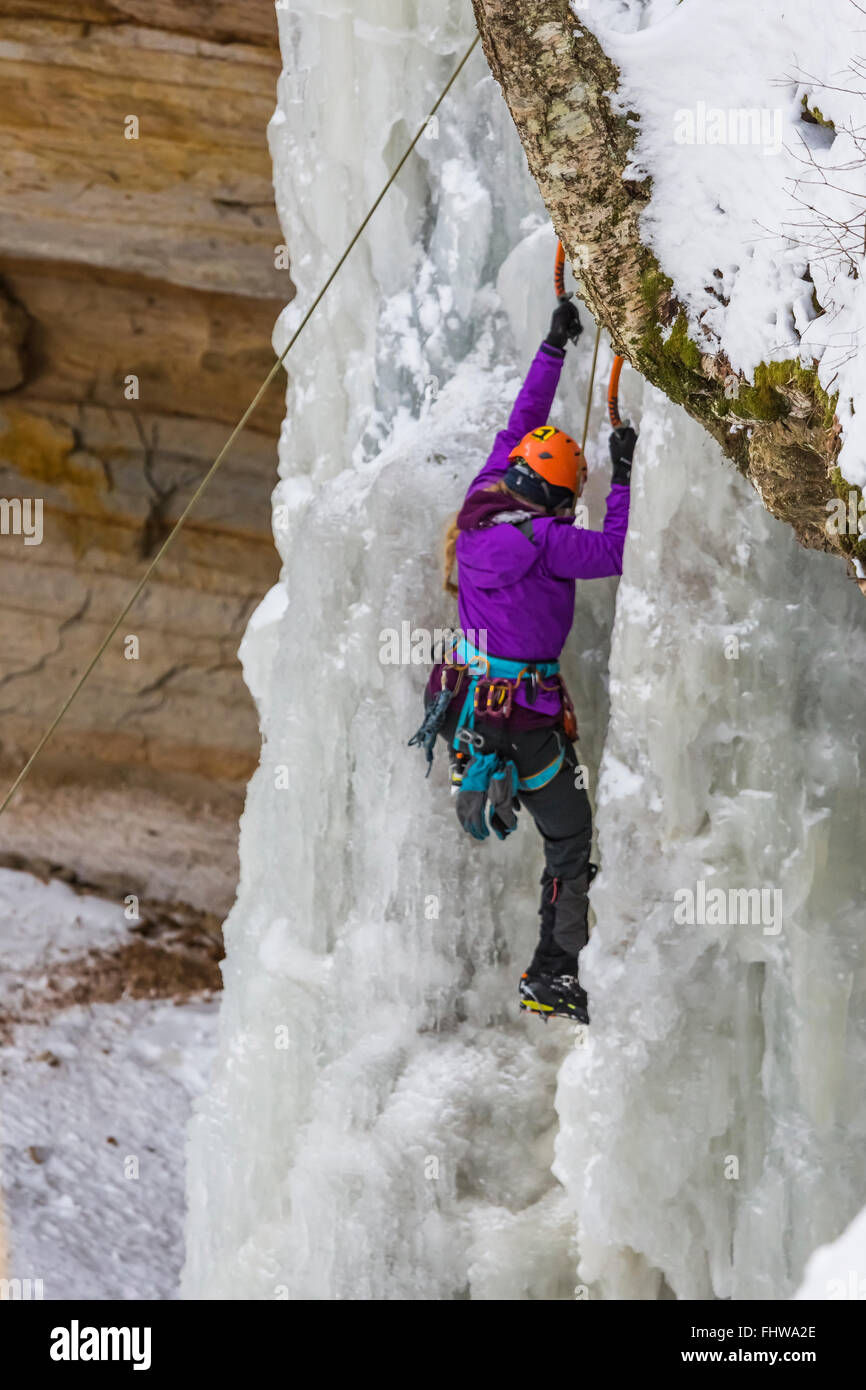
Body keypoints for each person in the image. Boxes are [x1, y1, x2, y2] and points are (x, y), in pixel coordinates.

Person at [412, 299, 636, 1022]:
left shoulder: (483, 499)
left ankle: (471, 763)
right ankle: (552, 974)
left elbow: (521, 419)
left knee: (530, 789)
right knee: (569, 842)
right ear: (559, 501)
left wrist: (554, 346)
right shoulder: (550, 542)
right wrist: (625, 481)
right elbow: (616, 551)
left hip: (469, 705)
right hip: (528, 724)